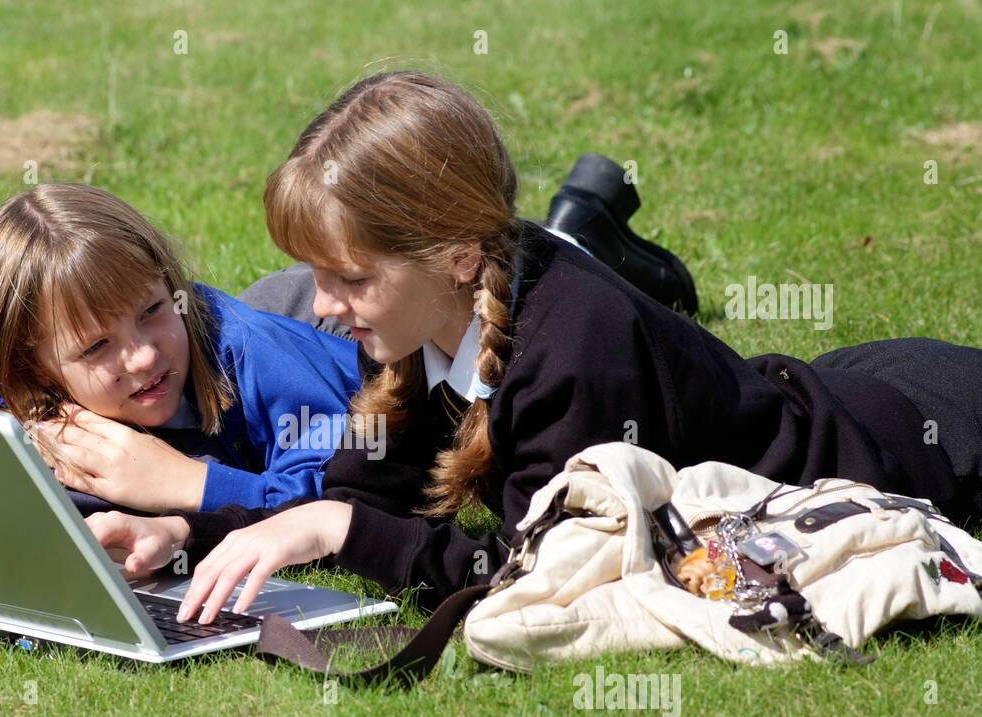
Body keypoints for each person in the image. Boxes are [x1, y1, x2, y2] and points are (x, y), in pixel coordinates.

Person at [81, 70, 982, 625]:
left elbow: (527, 569)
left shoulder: (571, 348)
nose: (323, 305)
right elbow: (373, 489)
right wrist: (188, 533)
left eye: (349, 277)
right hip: (831, 387)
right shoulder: (409, 322)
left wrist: (342, 531)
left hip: (919, 439)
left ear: (456, 255)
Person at [0, 183, 363, 516]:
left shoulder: (248, 353)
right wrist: (35, 424)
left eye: (152, 310)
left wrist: (184, 482)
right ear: (29, 364)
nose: (144, 357)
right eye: (97, 346)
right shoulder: (25, 367)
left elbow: (340, 498)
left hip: (353, 360)